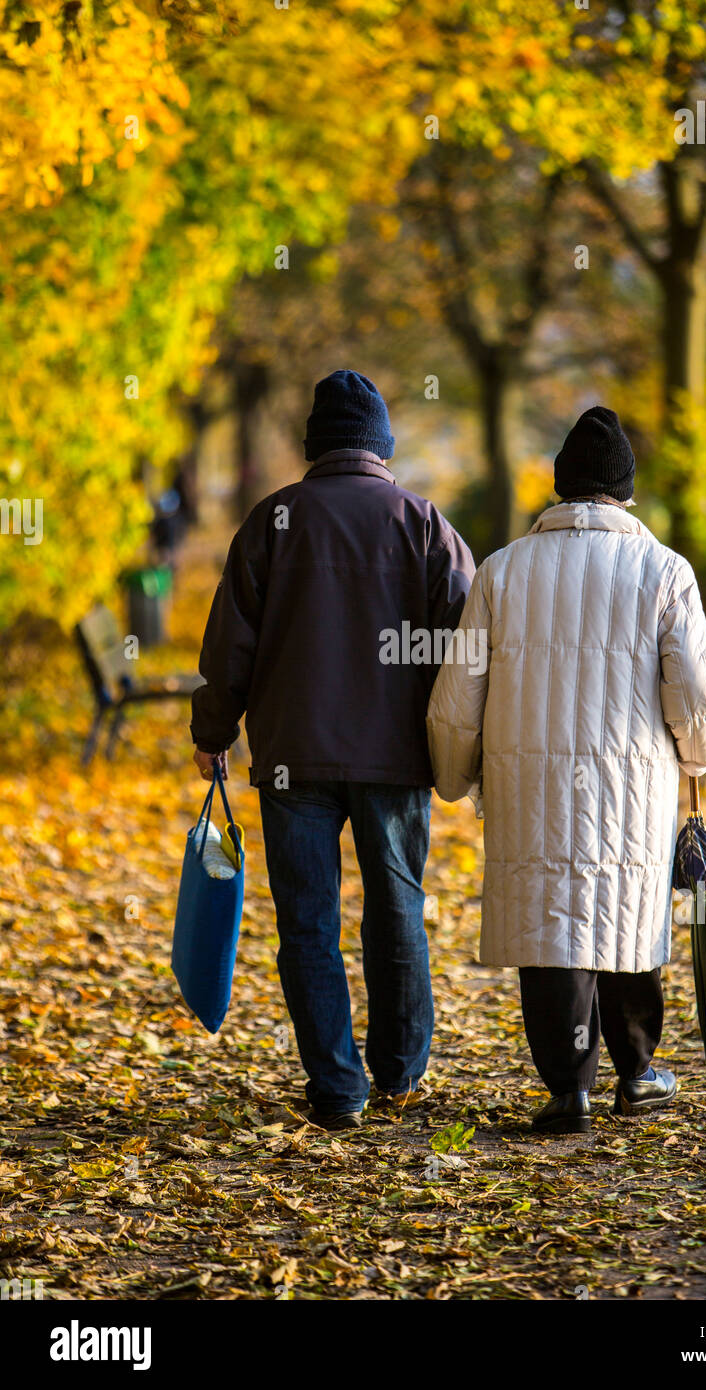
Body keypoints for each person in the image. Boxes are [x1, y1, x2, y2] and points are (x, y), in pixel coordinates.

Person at [427, 406, 706, 1134]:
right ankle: (636, 1072)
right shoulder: (665, 570)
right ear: (625, 494)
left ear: (560, 489)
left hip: (528, 784)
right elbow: (690, 685)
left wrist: (452, 773)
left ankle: (569, 1087)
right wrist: (698, 751)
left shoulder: (502, 570)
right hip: (632, 784)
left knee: (549, 919)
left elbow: (459, 689)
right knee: (625, 907)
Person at [190, 370, 475, 1129]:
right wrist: (465, 747)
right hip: (396, 757)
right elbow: (469, 646)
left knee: (307, 922)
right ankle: (401, 1070)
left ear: (316, 445)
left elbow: (229, 650)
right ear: (381, 445)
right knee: (397, 909)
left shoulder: (271, 522)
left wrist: (212, 733)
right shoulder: (423, 523)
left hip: (295, 758)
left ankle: (336, 1086)